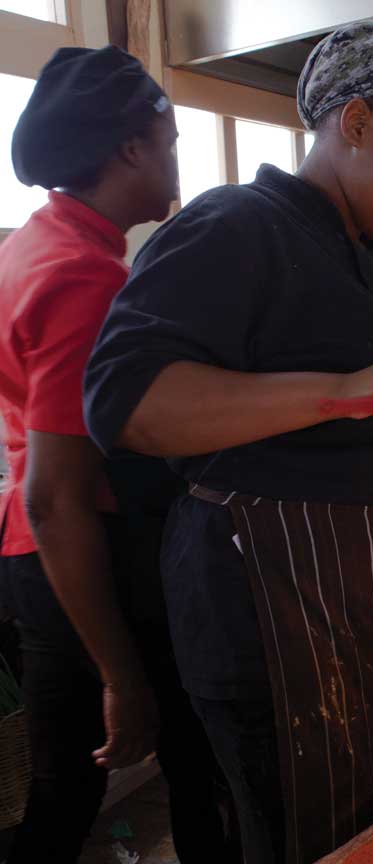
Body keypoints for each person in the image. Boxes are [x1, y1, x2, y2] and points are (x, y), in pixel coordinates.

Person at [83, 22, 373, 864]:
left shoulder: (360, 255)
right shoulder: (239, 225)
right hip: (282, 615)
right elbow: (128, 403)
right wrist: (348, 390)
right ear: (355, 123)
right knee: (308, 838)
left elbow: (340, 421)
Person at [0, 46, 236, 862]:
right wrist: (121, 675)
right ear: (131, 148)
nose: (177, 157)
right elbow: (56, 496)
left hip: (46, 562)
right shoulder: (81, 277)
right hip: (82, 563)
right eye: (170, 139)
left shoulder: (41, 241)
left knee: (66, 794)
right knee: (147, 780)